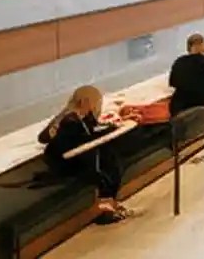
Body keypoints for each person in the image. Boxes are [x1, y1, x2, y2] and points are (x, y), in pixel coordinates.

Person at [38, 85, 133, 224]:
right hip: (70, 163)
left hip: (78, 157)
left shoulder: (78, 118)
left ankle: (109, 203)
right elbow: (82, 140)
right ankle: (104, 207)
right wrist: (109, 130)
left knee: (111, 160)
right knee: (106, 168)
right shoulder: (70, 120)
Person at [169, 33, 204, 117]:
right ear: (201, 45)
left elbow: (173, 83)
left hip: (180, 110)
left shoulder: (179, 62)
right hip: (202, 109)